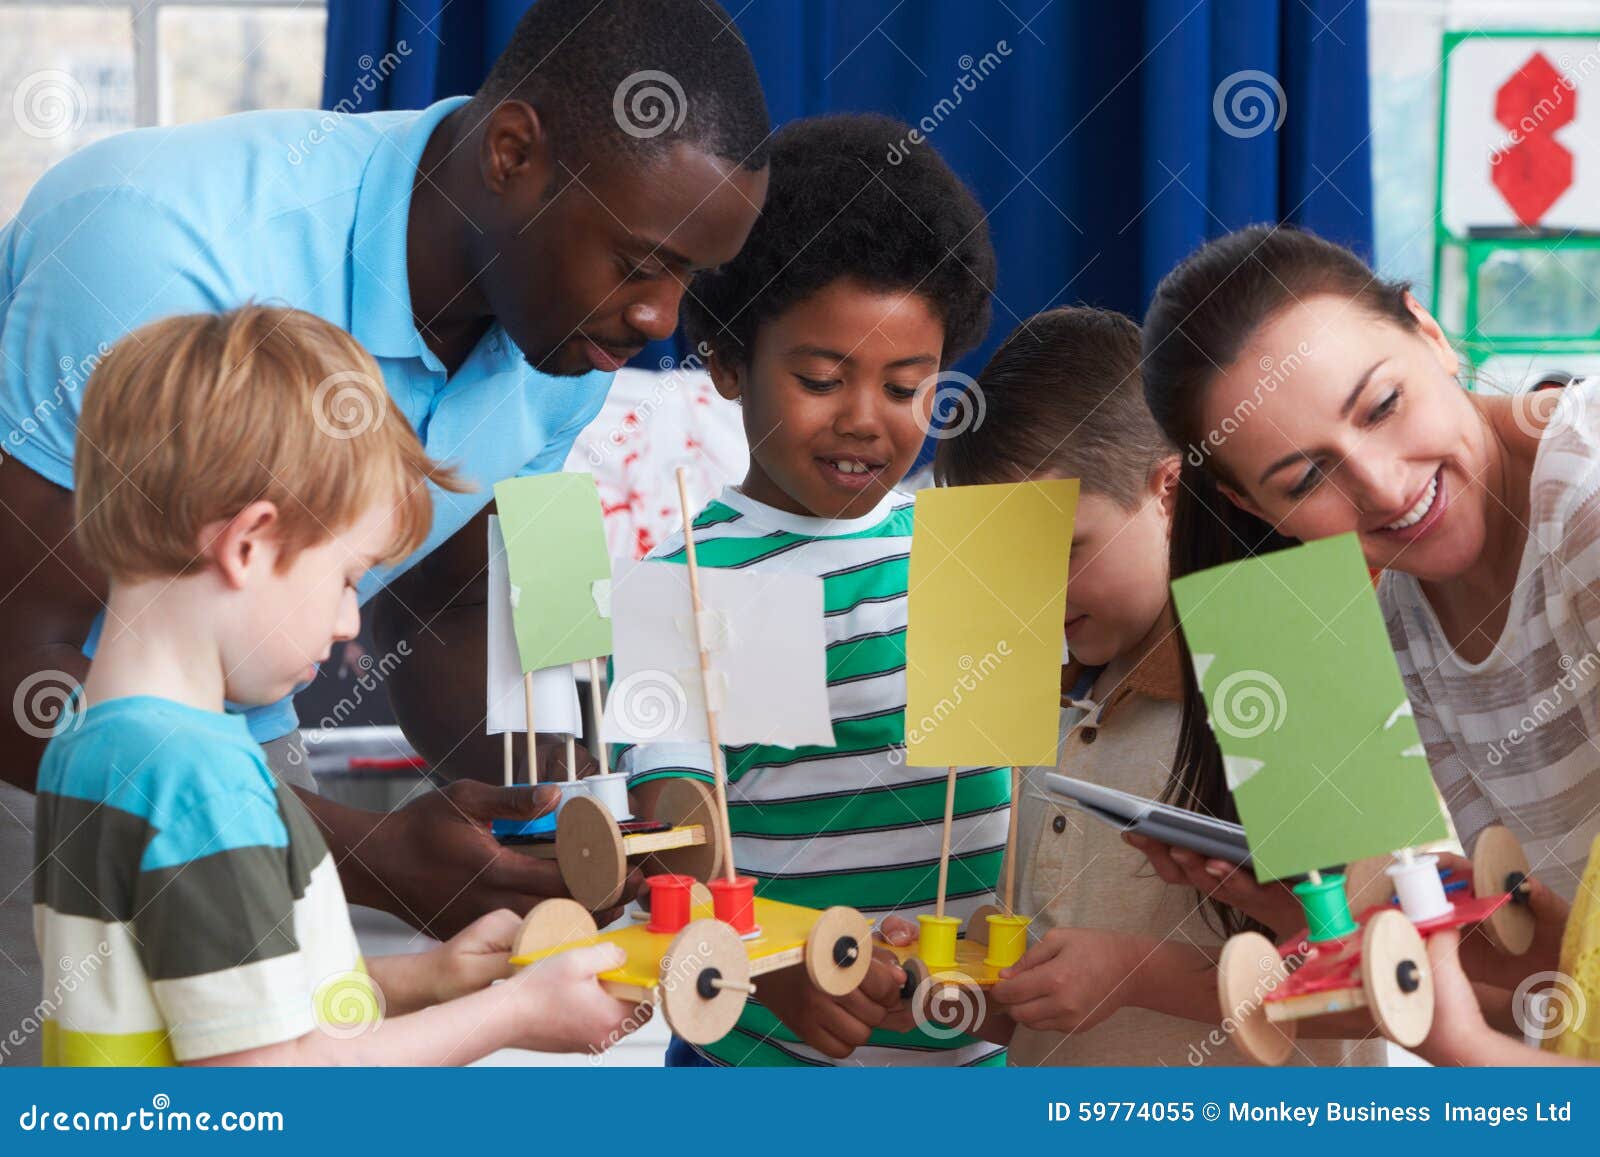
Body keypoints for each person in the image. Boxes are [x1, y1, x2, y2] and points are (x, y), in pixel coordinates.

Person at [0, 0, 769, 1063]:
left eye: (691, 279)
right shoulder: (158, 251)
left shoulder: (567, 341)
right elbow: (23, 659)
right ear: (514, 154)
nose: (660, 322)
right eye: (641, 262)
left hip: (215, 742)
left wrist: (548, 826)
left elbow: (458, 599)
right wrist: (366, 858)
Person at [32, 305, 645, 1065]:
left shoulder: (89, 740)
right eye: (348, 577)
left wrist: (432, 977)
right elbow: (272, 1078)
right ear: (249, 544)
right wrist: (513, 1015)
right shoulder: (206, 785)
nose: (352, 622)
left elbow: (235, 998)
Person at [618, 113, 1003, 1066]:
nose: (867, 422)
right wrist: (778, 958)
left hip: (970, 1068)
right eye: (824, 379)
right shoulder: (683, 585)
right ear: (725, 362)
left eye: (909, 386)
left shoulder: (972, 552)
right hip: (755, 1065)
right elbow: (674, 830)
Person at [920, 307, 1376, 1066]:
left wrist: (1136, 974)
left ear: (1168, 490)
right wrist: (960, 980)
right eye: (1003, 559)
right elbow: (1041, 1013)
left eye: (1063, 549)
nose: (1030, 593)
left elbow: (1381, 991)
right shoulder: (1041, 684)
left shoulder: (1292, 648)